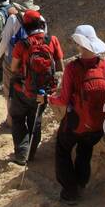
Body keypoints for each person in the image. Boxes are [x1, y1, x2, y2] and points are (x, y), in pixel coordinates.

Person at [51, 25, 105, 202]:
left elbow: (63, 99)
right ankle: (81, 184)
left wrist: (50, 99)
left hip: (77, 123)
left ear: (79, 43)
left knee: (63, 149)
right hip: (98, 124)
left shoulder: (72, 68)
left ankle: (70, 192)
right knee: (85, 150)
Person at [6, 9, 63, 165]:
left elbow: (13, 68)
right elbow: (59, 66)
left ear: (26, 26)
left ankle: (21, 154)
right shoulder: (52, 40)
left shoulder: (22, 44)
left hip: (23, 90)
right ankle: (30, 153)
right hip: (44, 91)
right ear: (41, 24)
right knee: (35, 120)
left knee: (17, 118)